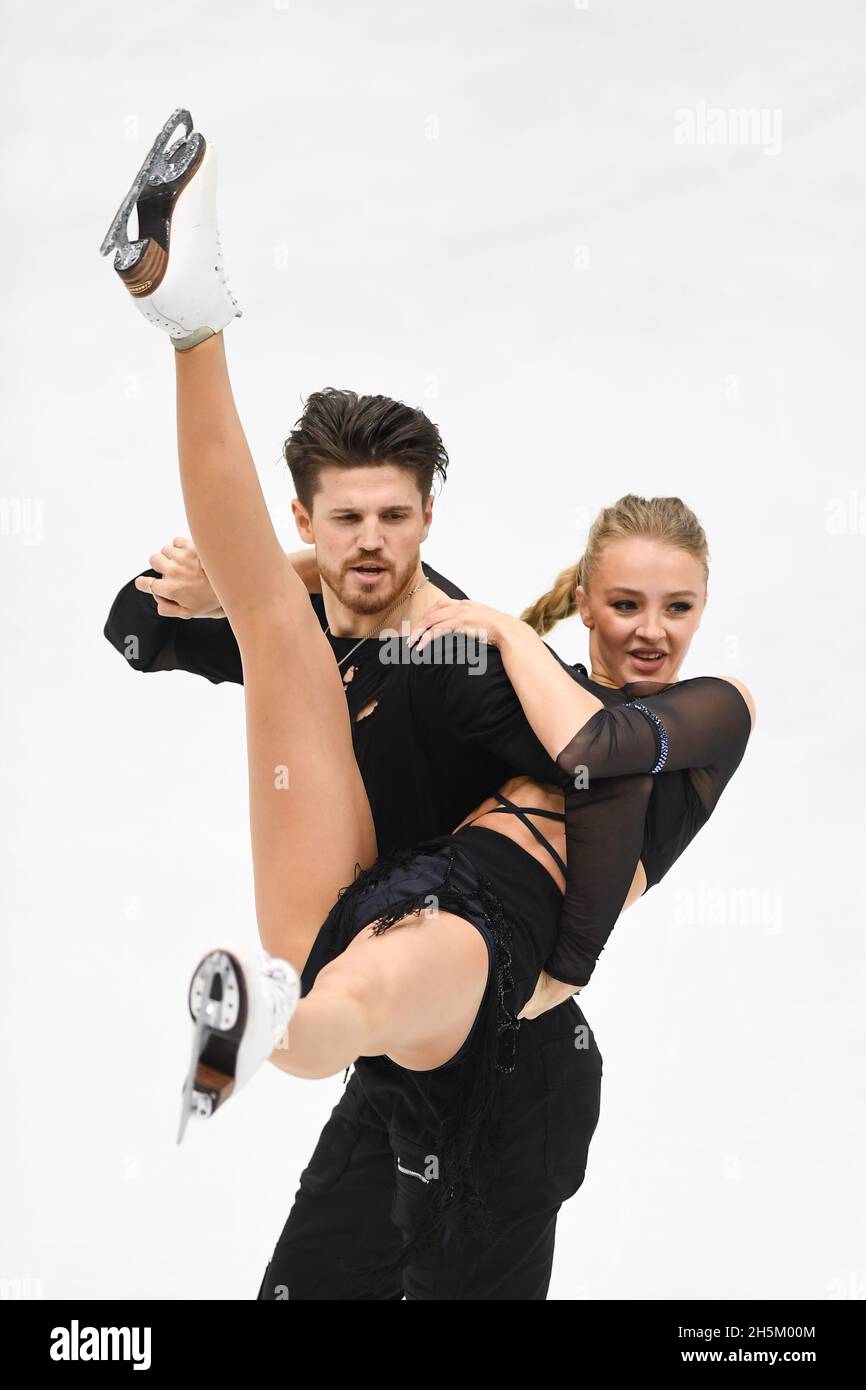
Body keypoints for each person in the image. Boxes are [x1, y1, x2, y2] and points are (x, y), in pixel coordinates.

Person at [100, 109, 755, 1299]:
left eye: (673, 608)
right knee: (270, 638)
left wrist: (505, 629)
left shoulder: (539, 674)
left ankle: (267, 1035)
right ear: (587, 598)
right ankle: (189, 314)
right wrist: (281, 582)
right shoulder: (395, 623)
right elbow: (136, 625)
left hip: (507, 1038)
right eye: (621, 604)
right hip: (377, 914)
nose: (644, 631)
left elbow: (602, 748)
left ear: (427, 526)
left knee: (380, 985)